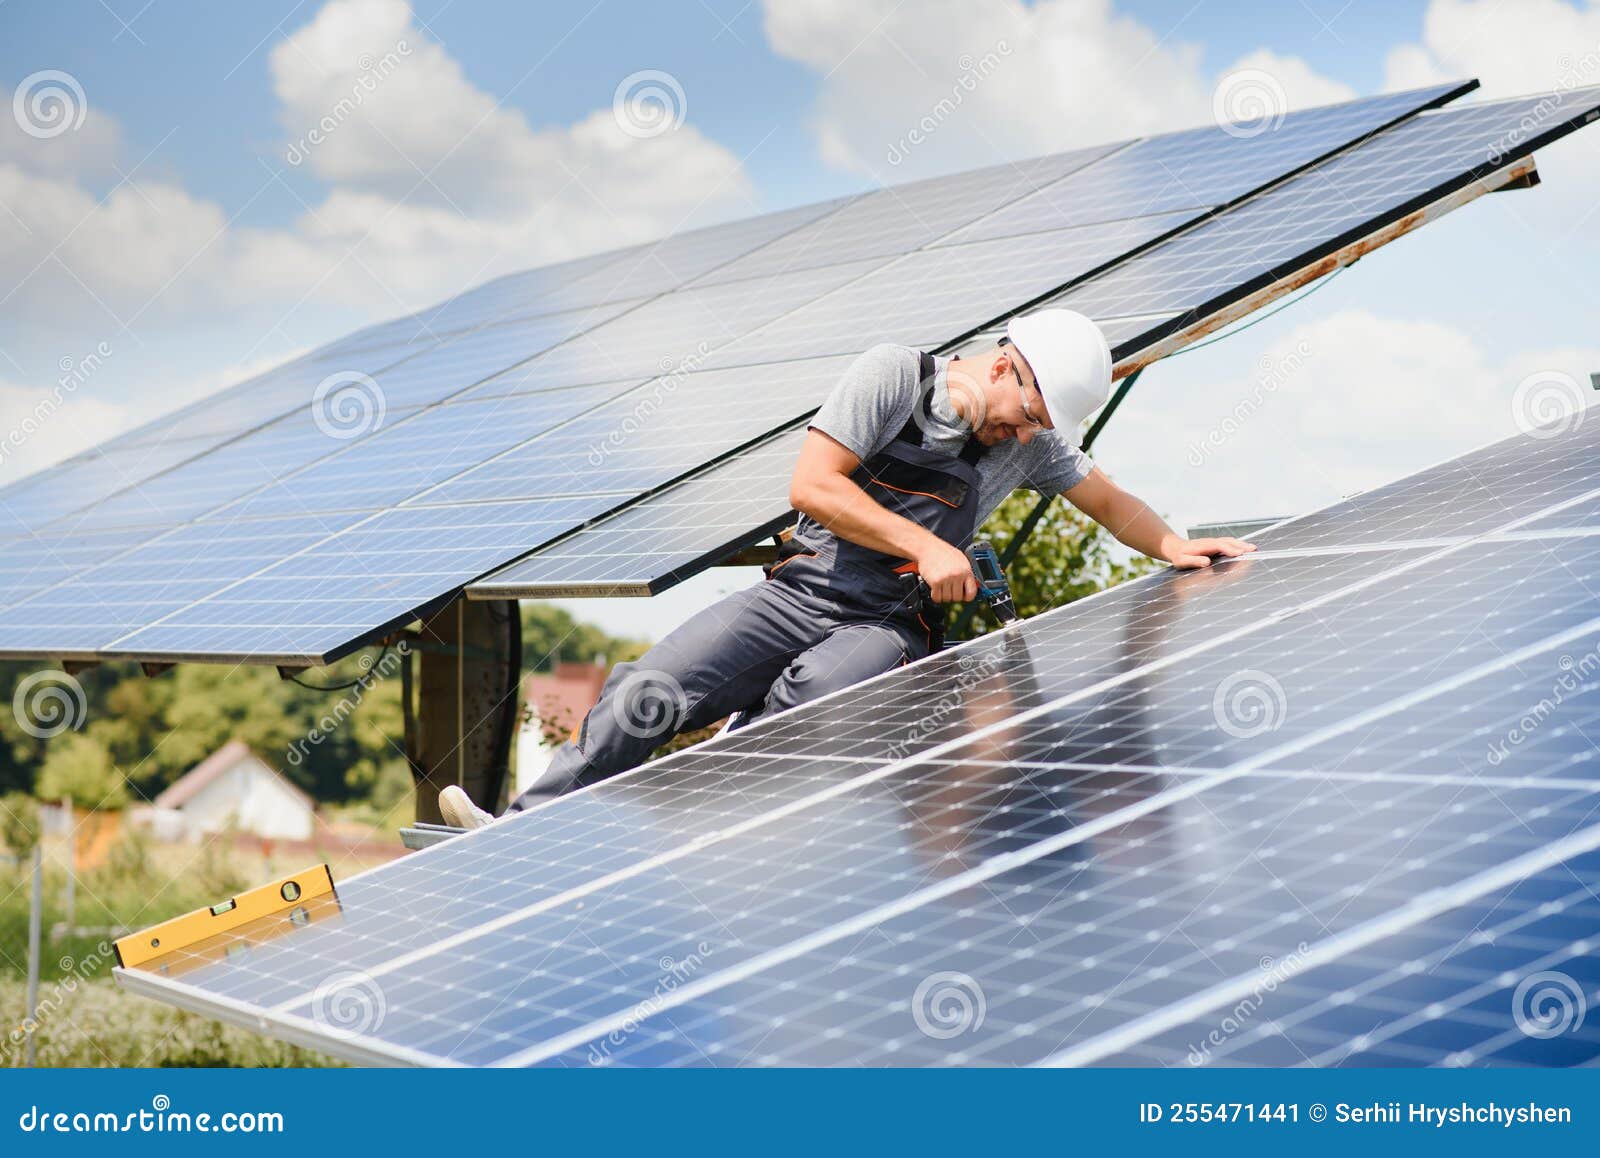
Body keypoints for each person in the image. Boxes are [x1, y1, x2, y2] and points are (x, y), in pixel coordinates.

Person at [439, 309, 1254, 829]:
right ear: (1006, 367)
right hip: (804, 588)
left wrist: (1172, 546)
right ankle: (517, 833)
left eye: (1041, 428)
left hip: (889, 625)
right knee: (647, 692)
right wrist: (925, 544)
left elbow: (1108, 500)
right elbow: (812, 487)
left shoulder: (1032, 446)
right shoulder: (893, 376)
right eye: (1028, 414)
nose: (1026, 434)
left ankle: (709, 819)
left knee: (815, 700)